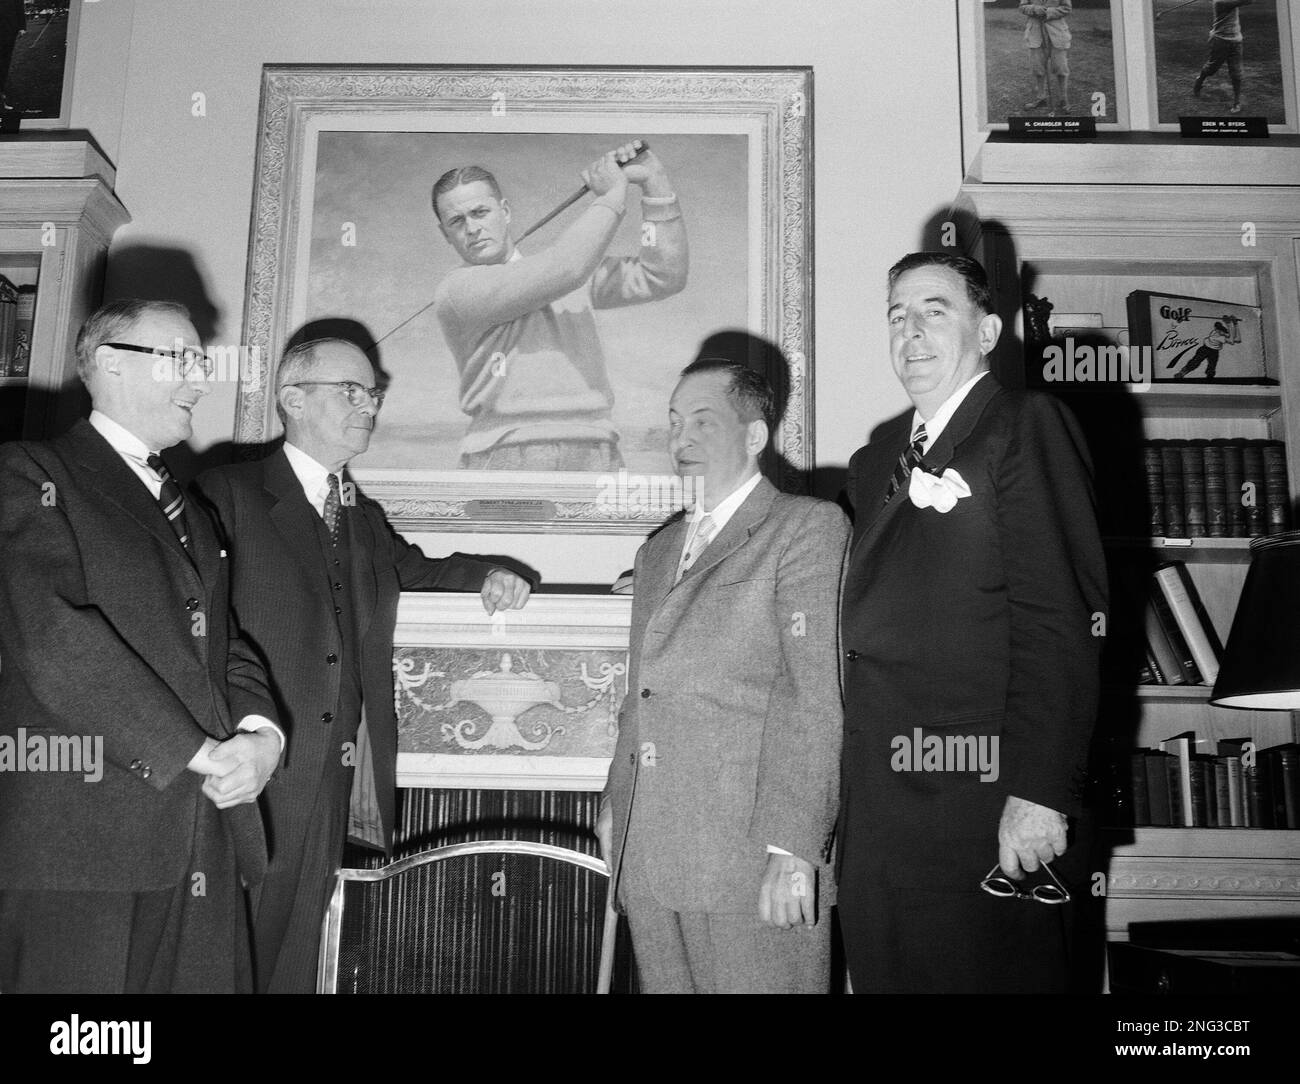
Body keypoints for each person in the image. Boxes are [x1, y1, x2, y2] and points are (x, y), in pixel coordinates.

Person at [194, 337, 532, 993]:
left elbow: (419, 571)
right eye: (350, 391)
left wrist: (488, 575)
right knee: (226, 949)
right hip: (258, 767)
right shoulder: (225, 493)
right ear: (293, 399)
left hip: (337, 775)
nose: (368, 405)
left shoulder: (361, 515)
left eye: (372, 393)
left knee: (297, 954)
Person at [837, 252, 1107, 994]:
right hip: (885, 814)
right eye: (897, 315)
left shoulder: (1025, 426)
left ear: (988, 330)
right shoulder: (874, 461)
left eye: (934, 310)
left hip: (987, 806)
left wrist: (1040, 792)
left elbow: (1060, 623)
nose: (911, 331)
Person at [0, 299, 283, 993]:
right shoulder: (29, 473)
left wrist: (261, 734)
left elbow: (226, 644)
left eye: (200, 360)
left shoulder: (191, 506)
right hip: (82, 842)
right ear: (107, 364)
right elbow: (53, 638)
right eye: (180, 359)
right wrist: (195, 751)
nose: (199, 379)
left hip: (205, 831)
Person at [596, 357, 849, 994]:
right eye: (674, 422)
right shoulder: (656, 552)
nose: (681, 439)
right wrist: (615, 806)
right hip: (651, 859)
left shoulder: (805, 527)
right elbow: (642, 696)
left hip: (751, 863)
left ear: (754, 435)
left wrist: (794, 849)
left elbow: (815, 697)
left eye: (701, 421)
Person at [431, 143, 688, 471]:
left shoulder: (567, 273)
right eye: (456, 221)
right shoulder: (456, 290)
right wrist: (609, 198)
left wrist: (656, 185)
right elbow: (566, 268)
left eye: (480, 212)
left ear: (505, 211)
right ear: (445, 234)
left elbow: (663, 275)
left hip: (598, 450)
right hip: (504, 453)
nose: (471, 228)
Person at [1194, 1, 1252, 114]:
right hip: (1220, 40)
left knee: (1237, 73)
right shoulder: (1220, 2)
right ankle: (1200, 79)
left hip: (1236, 40)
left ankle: (1236, 102)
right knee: (1211, 69)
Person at [1019, 2, 1073, 116]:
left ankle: (1063, 100)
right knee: (1037, 68)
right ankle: (1041, 98)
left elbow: (1067, 8)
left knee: (1061, 68)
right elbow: (1022, 7)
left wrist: (1049, 12)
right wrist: (1034, 9)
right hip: (1035, 33)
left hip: (1058, 34)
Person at [0, 0, 24, 111]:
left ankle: (2, 99)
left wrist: (22, 26)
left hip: (9, 31)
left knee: (4, 66)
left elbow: (19, 7)